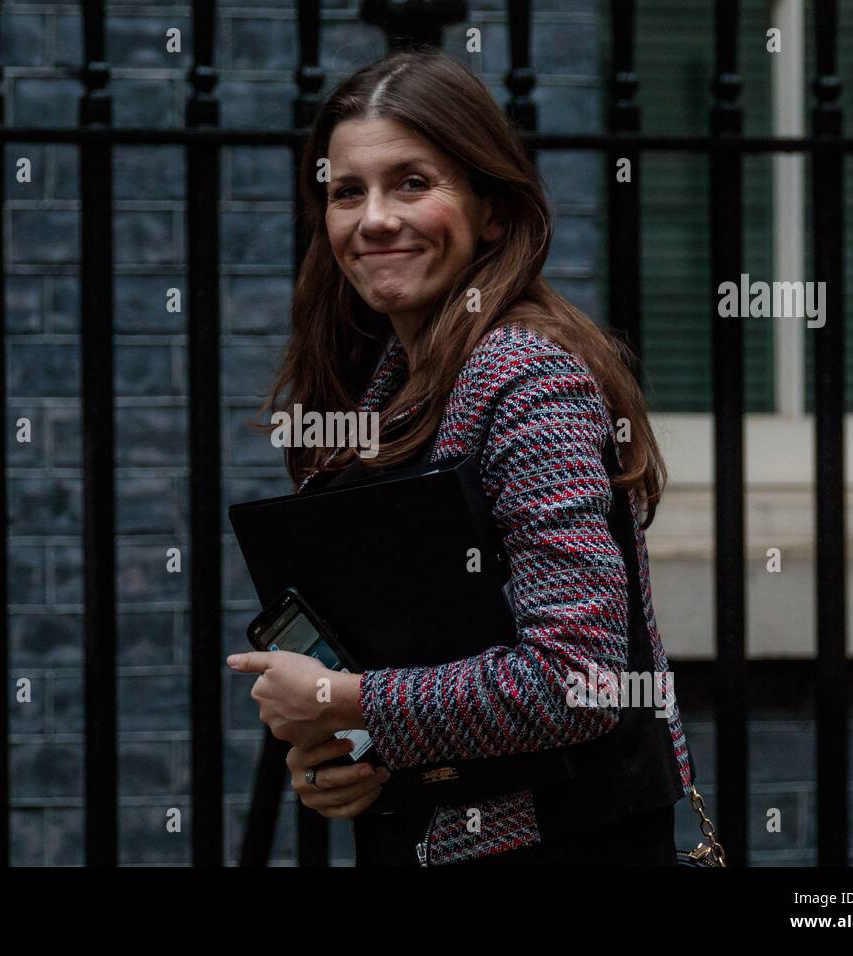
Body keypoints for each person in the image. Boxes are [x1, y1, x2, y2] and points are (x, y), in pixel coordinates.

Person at [226, 45, 693, 867]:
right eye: (346, 192)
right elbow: (434, 651)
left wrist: (341, 697)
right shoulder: (392, 390)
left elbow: (574, 681)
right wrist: (351, 756)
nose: (374, 218)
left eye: (413, 182)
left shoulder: (528, 378)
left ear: (494, 211)